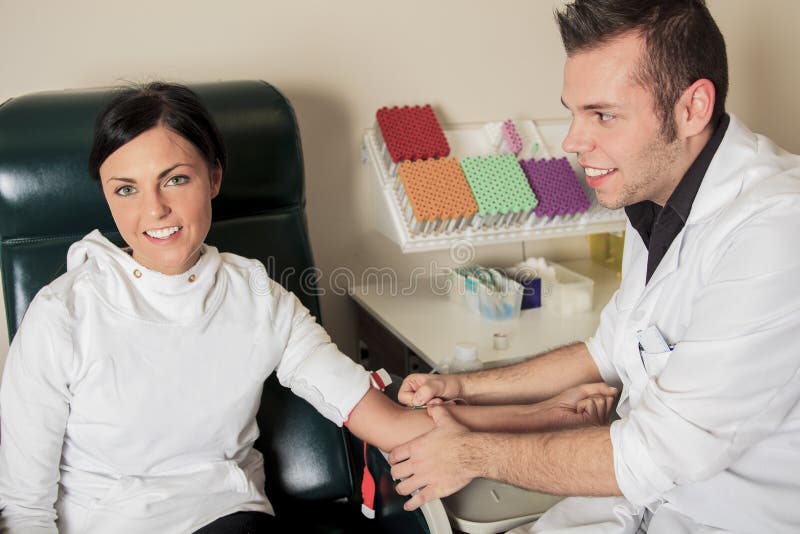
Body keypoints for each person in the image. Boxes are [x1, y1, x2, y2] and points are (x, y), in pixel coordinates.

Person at [0, 82, 617, 534]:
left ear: (214, 177)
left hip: (225, 521)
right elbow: (25, 510)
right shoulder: (63, 317)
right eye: (126, 190)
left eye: (175, 179)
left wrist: (546, 414)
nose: (152, 212)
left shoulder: (257, 300)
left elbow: (384, 422)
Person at [389, 1, 800, 532]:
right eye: (574, 111)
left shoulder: (776, 231)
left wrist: (470, 454)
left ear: (693, 108)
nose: (573, 141)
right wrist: (466, 388)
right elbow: (608, 352)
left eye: (603, 115)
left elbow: (658, 452)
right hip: (632, 509)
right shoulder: (653, 194)